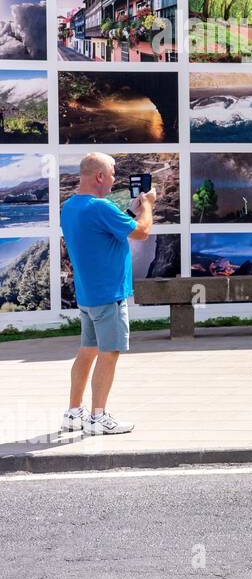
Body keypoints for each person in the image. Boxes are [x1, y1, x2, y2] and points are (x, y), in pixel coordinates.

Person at [59, 153, 156, 436]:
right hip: (109, 294)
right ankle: (98, 417)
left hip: (89, 295)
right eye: (112, 173)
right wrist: (147, 206)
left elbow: (102, 232)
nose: (115, 179)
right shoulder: (101, 207)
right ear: (100, 176)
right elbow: (142, 232)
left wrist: (130, 212)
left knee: (87, 352)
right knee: (110, 352)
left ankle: (73, 413)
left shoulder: (71, 206)